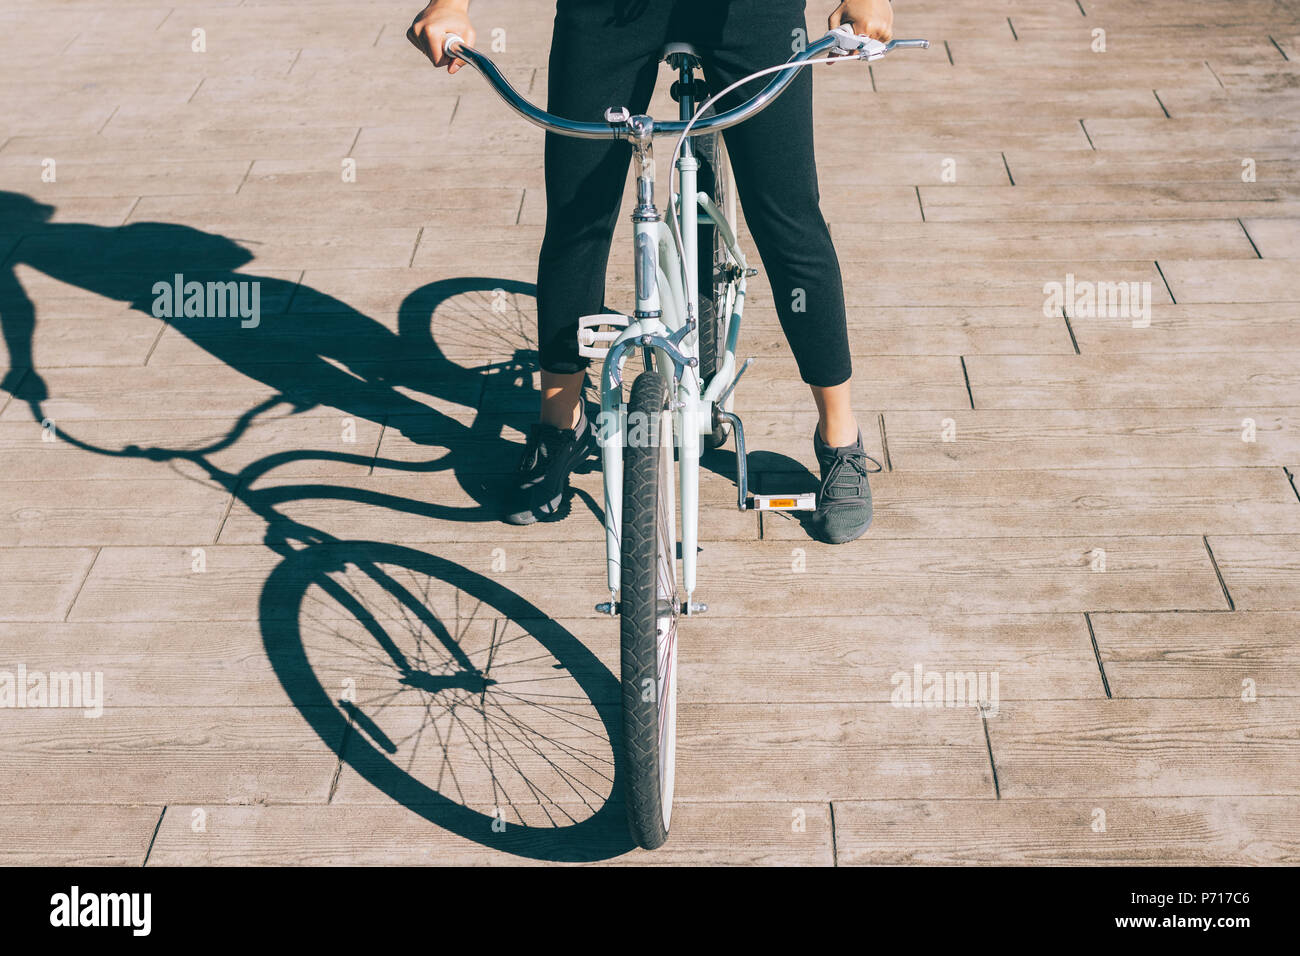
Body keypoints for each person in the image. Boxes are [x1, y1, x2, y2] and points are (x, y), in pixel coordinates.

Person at [409, 0, 893, 543]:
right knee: (576, 222)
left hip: (747, 13)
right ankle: (560, 424)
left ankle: (840, 436)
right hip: (610, 13)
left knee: (788, 219)